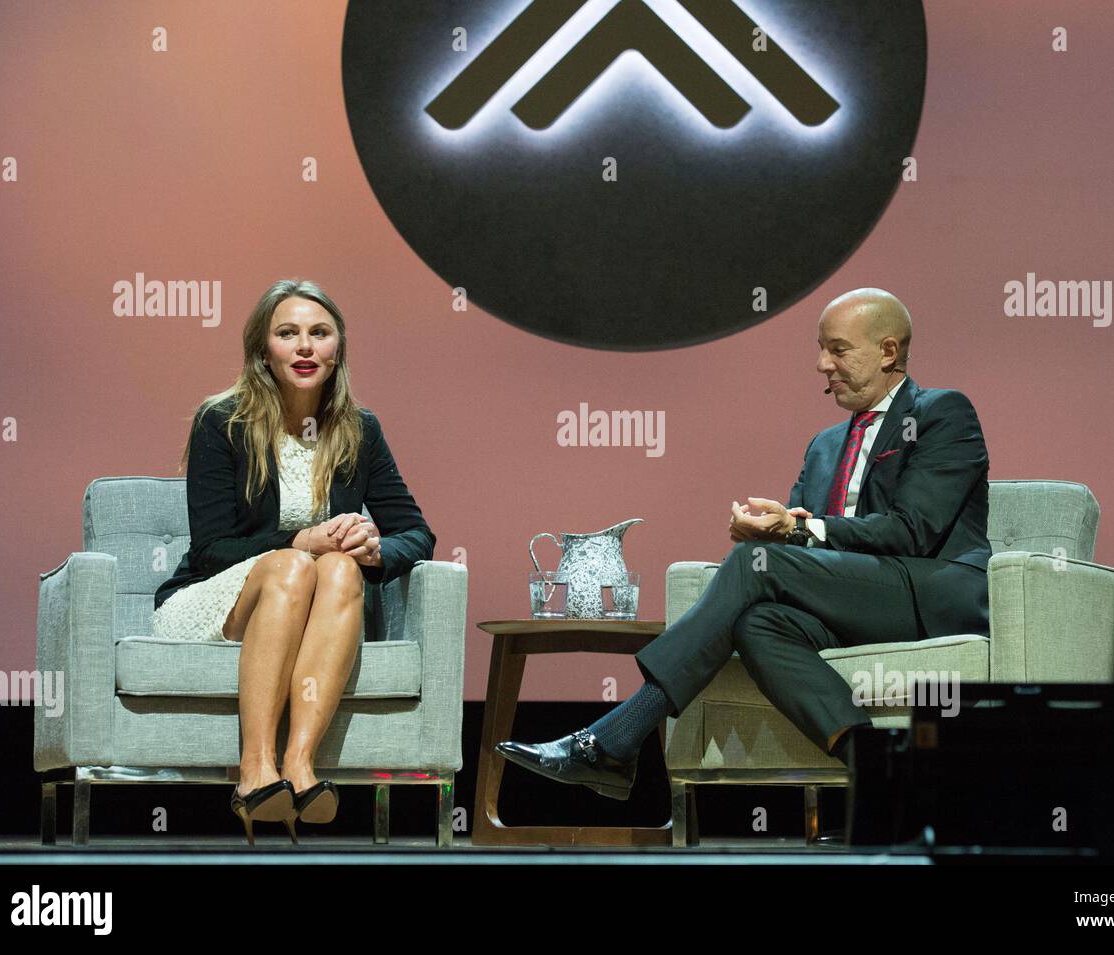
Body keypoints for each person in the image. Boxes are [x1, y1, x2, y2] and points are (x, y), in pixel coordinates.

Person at [496, 287, 991, 802]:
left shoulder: (942, 413)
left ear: (888, 352)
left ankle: (614, 741)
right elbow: (802, 544)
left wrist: (794, 534)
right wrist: (767, 531)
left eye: (838, 349)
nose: (822, 363)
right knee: (756, 622)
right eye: (821, 348)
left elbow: (912, 530)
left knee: (756, 565)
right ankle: (875, 770)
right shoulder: (823, 446)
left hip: (920, 594)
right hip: (847, 600)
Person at [151, 278, 435, 845]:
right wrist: (300, 542)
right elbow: (210, 550)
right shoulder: (222, 422)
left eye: (319, 333)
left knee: (339, 567)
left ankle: (299, 765)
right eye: (288, 333)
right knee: (295, 565)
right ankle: (255, 770)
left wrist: (376, 548)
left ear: (338, 350)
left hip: (312, 598)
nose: (305, 347)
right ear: (263, 350)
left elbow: (417, 533)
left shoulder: (359, 430)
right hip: (218, 599)